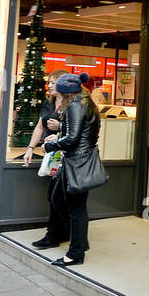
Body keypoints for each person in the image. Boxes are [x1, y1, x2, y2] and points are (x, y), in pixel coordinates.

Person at [41, 72, 100, 267]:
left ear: (67, 91)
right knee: (60, 199)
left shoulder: (75, 105)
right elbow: (80, 132)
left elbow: (73, 138)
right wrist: (58, 134)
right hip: (79, 160)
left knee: (75, 208)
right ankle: (79, 243)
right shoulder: (85, 102)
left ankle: (76, 253)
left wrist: (51, 145)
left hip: (77, 162)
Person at [22, 70, 65, 169]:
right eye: (49, 83)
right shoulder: (48, 103)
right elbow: (39, 128)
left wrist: (59, 127)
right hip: (49, 153)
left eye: (53, 83)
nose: (49, 86)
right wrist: (30, 148)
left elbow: (76, 131)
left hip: (64, 155)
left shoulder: (72, 105)